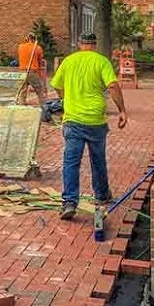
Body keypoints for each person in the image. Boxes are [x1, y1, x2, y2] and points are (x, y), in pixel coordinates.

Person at [50, 33, 128, 220]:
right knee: (98, 160)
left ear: (80, 44)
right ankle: (102, 195)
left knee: (71, 162)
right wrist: (122, 110)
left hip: (73, 120)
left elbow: (56, 85)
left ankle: (69, 202)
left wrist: (66, 98)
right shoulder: (101, 61)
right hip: (95, 121)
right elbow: (113, 86)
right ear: (94, 44)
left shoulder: (68, 61)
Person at [16, 32, 48, 105]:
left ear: (26, 39)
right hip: (32, 71)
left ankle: (21, 103)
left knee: (22, 89)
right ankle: (43, 104)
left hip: (22, 71)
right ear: (34, 39)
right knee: (39, 89)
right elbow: (40, 61)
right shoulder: (38, 48)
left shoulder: (20, 47)